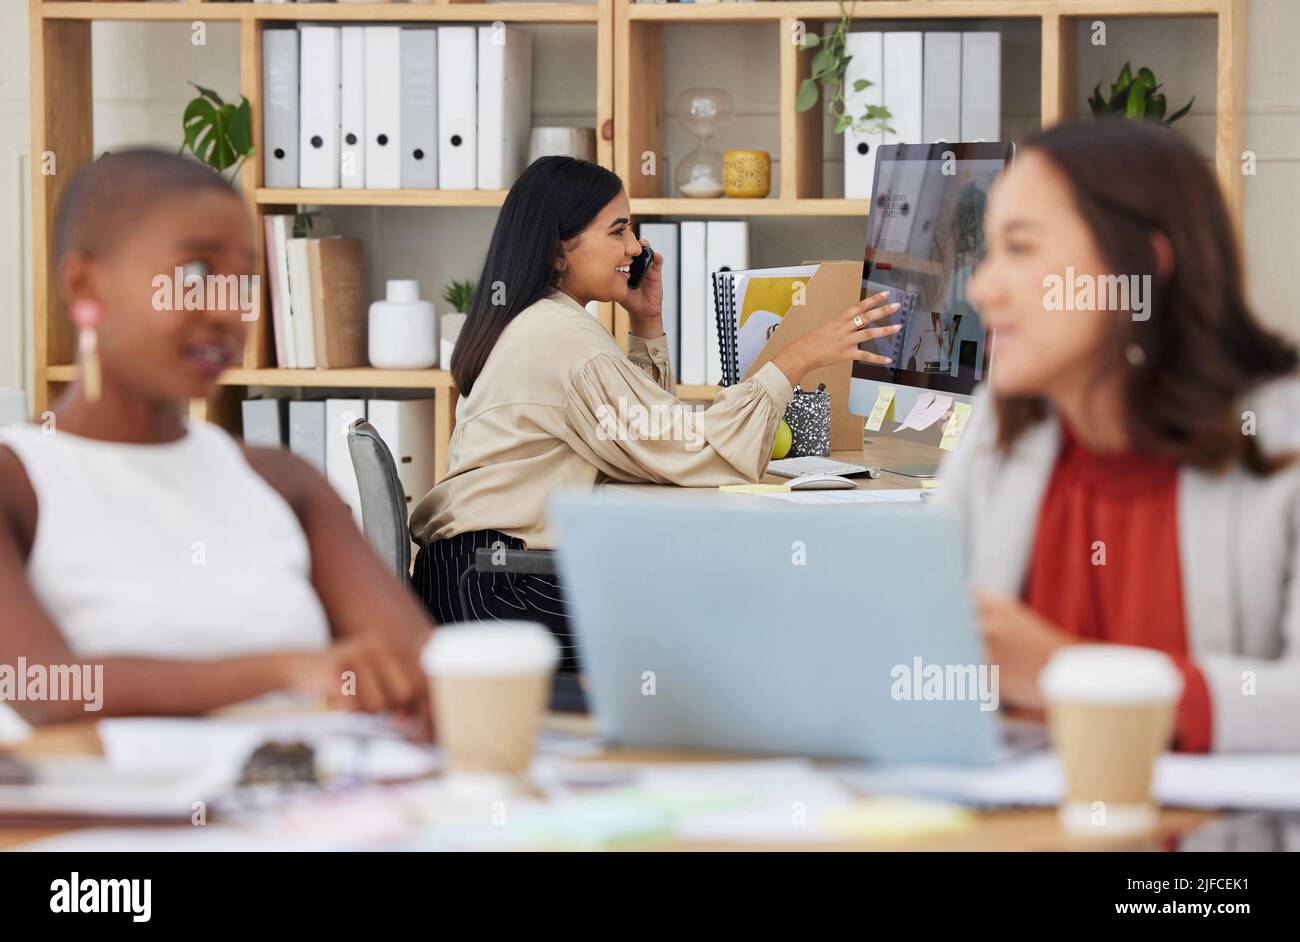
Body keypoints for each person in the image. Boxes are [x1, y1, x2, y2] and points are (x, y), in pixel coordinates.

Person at [0, 150, 434, 729]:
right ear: (84, 283)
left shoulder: (283, 480)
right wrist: (288, 670)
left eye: (245, 282)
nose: (229, 312)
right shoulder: (19, 481)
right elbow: (42, 689)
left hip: (305, 807)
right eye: (196, 274)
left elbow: (419, 668)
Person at [409, 155, 901, 663]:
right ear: (559, 252)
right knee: (712, 629)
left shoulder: (540, 320)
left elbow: (641, 444)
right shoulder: (560, 335)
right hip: (498, 589)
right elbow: (691, 447)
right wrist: (797, 357)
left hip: (479, 576)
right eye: (618, 231)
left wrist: (646, 323)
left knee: (712, 611)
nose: (635, 247)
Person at [939, 119, 1300, 752]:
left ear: (1142, 264)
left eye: (1021, 249)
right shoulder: (1001, 426)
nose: (982, 288)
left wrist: (1066, 675)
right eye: (989, 253)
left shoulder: (1281, 439)